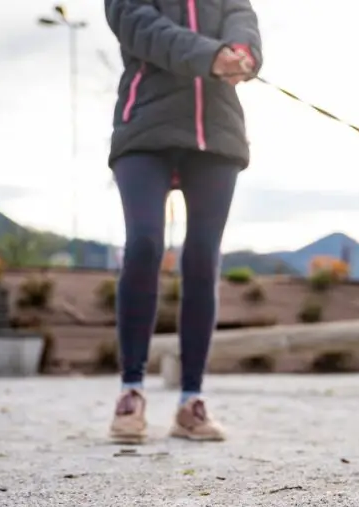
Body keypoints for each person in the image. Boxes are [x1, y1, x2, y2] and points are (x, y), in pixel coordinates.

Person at [102, 0, 262, 443]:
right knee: (145, 244)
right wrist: (211, 56)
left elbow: (242, 19)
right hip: (144, 131)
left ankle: (191, 401)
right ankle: (130, 390)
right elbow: (140, 27)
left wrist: (242, 53)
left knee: (203, 258)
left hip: (217, 135)